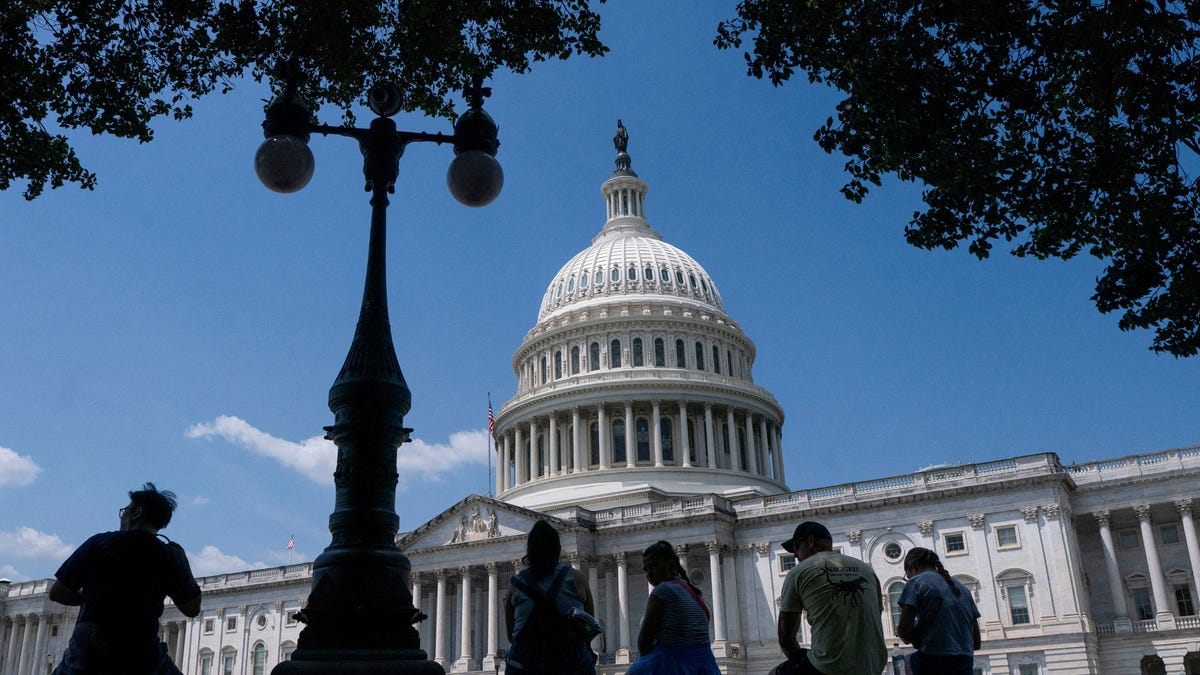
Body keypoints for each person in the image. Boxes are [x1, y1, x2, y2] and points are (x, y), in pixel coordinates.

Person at [49, 482, 201, 674]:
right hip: (139, 654)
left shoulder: (99, 543)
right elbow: (192, 609)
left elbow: (57, 592)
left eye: (124, 510)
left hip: (89, 649)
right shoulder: (169, 556)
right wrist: (183, 561)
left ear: (137, 512)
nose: (122, 516)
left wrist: (88, 598)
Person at [770, 521, 887, 675]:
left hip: (828, 666)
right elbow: (874, 616)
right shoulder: (867, 570)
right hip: (873, 665)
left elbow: (786, 638)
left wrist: (801, 660)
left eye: (796, 548)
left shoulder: (798, 573)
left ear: (810, 541)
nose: (795, 555)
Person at [504, 520, 597, 675]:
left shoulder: (515, 584)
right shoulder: (577, 578)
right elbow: (588, 627)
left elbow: (511, 635)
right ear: (557, 549)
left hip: (525, 667)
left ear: (529, 549)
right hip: (570, 667)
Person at [629, 541, 720, 675]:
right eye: (646, 569)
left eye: (654, 566)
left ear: (670, 565)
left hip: (673, 664)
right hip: (706, 667)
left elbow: (643, 643)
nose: (649, 574)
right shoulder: (695, 593)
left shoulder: (662, 591)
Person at [896, 547, 981, 675]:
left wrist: (910, 634)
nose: (909, 578)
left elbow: (904, 632)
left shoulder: (916, 582)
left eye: (907, 575)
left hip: (933, 661)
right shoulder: (963, 589)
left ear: (911, 567)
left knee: (906, 662)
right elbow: (976, 642)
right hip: (965, 661)